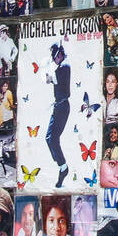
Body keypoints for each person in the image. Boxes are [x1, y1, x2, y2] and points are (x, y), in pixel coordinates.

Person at [44, 42, 71, 187]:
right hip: (59, 106)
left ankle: (62, 166)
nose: (55, 59)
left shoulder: (64, 67)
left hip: (62, 106)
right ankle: (62, 166)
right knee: (50, 138)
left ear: (60, 54)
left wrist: (49, 72)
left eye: (56, 56)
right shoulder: (61, 67)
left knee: (51, 138)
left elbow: (50, 78)